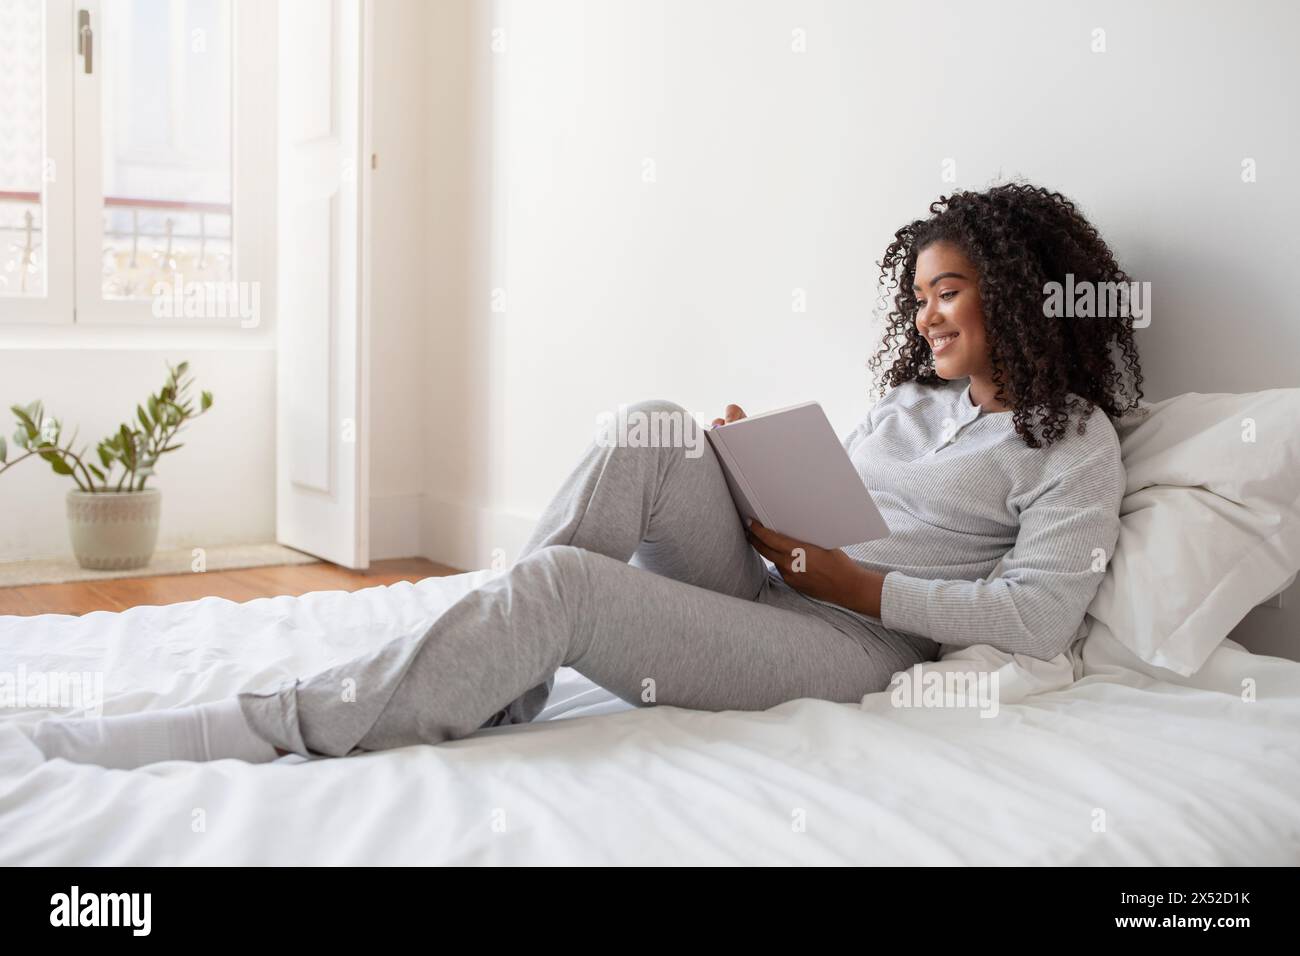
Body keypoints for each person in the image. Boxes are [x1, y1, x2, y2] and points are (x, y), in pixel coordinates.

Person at [27, 182, 1143, 768]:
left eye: (947, 291)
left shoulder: (1073, 445)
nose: (925, 312)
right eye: (919, 295)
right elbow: (837, 509)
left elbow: (1039, 618)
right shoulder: (915, 398)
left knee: (562, 592)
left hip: (851, 638)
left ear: (1019, 289)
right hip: (782, 574)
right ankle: (496, 673)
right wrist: (755, 475)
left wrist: (848, 583)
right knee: (657, 426)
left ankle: (269, 724)